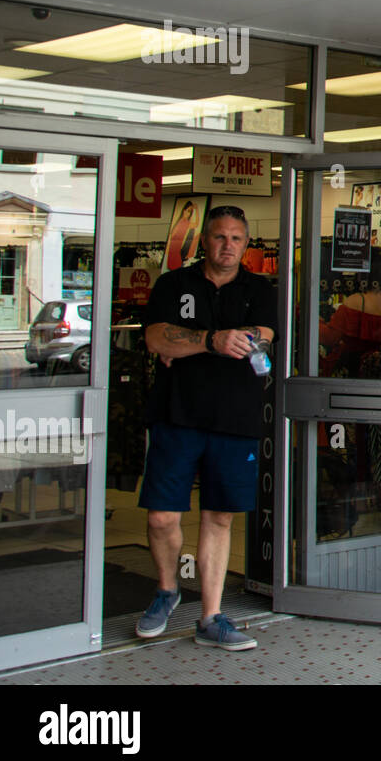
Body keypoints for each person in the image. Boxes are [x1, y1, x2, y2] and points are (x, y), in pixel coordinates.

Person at [137, 204, 277, 650]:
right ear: (204, 242)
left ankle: (211, 617)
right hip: (176, 415)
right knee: (161, 515)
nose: (228, 246)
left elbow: (263, 335)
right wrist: (212, 340)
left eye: (237, 238)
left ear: (247, 243)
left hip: (234, 419)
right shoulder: (173, 283)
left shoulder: (260, 288)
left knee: (219, 516)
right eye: (220, 237)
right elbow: (155, 337)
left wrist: (186, 344)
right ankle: (167, 589)